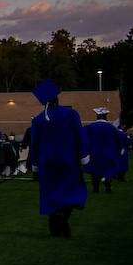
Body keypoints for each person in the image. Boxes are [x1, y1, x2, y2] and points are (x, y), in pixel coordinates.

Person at [28, 79, 87, 237]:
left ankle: (55, 224)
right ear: (57, 98)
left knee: (51, 193)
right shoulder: (70, 114)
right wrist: (84, 155)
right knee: (70, 191)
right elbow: (80, 136)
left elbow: (35, 144)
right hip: (68, 160)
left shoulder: (39, 120)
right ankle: (62, 216)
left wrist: (35, 164)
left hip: (47, 162)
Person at [83, 107, 125, 193]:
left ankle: (96, 188)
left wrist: (85, 152)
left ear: (97, 116)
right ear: (106, 116)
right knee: (108, 170)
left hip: (94, 153)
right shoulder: (112, 128)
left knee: (95, 171)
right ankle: (108, 188)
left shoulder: (90, 127)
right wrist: (119, 150)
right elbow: (120, 139)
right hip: (109, 154)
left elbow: (84, 140)